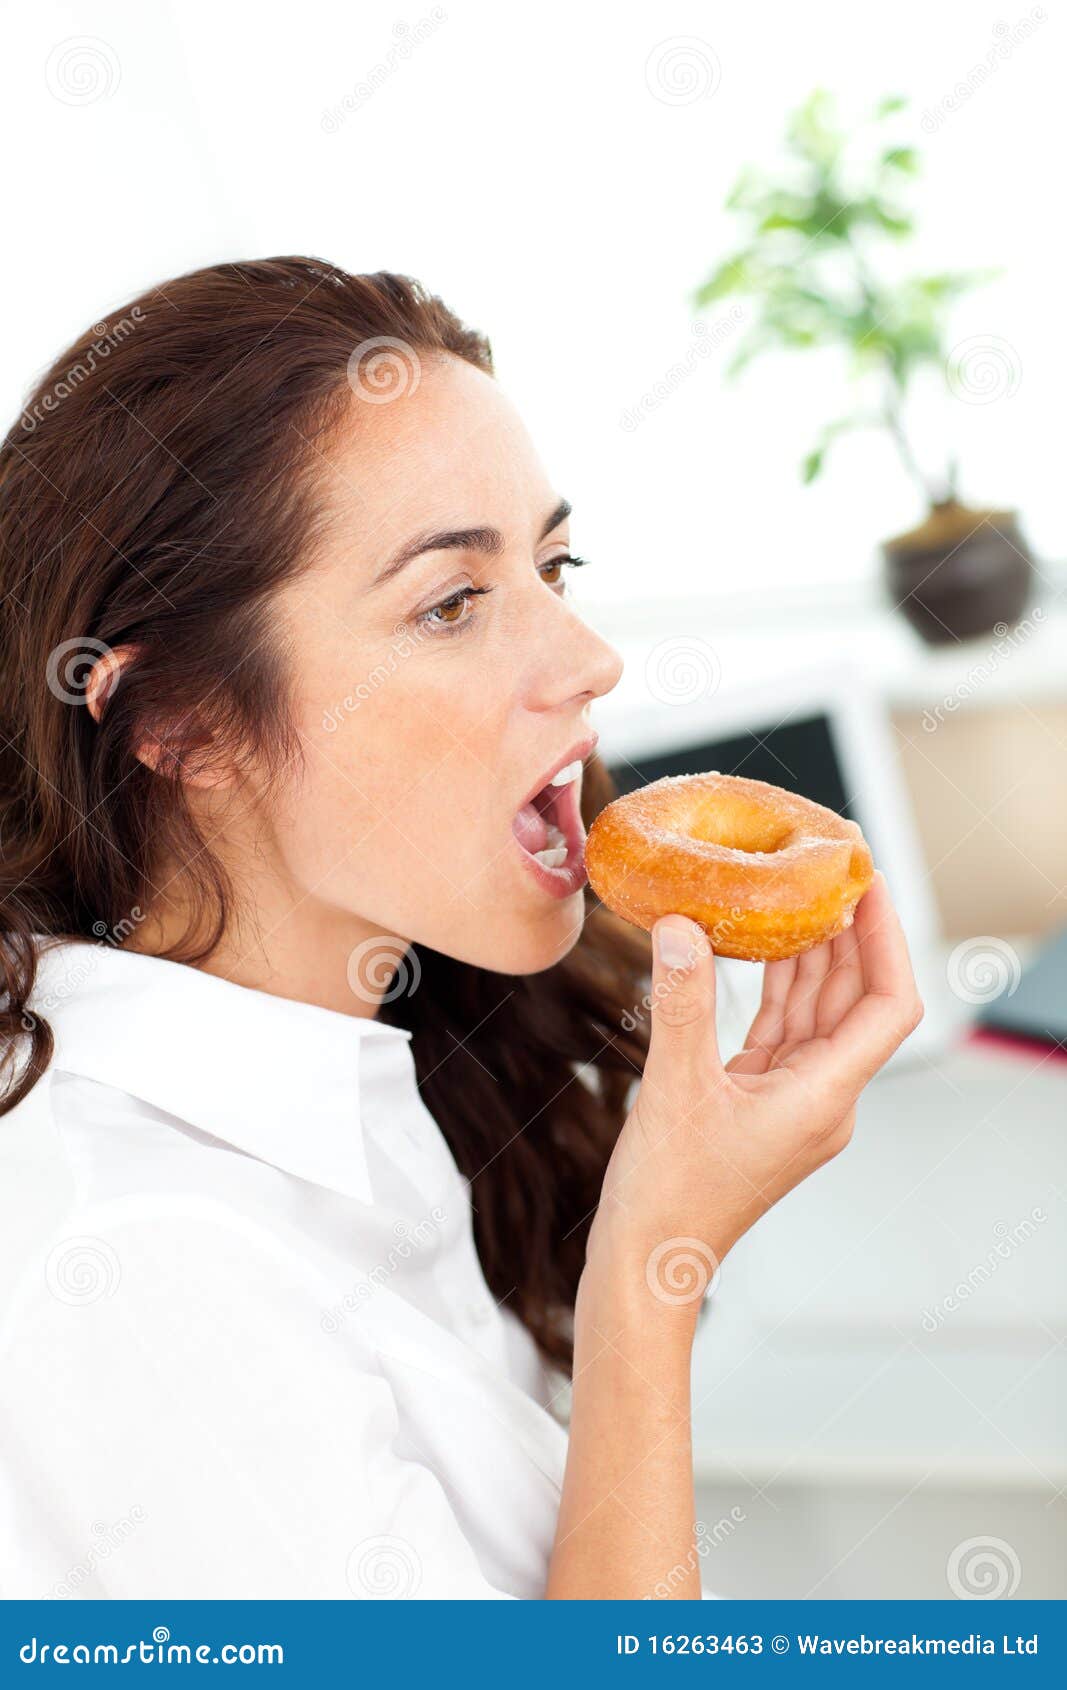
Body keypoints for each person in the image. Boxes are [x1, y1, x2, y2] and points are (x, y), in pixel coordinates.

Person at [0, 257, 922, 1599]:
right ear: (180, 723)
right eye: (450, 602)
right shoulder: (138, 1260)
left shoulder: (394, 1044)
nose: (591, 660)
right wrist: (650, 1274)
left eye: (555, 566)